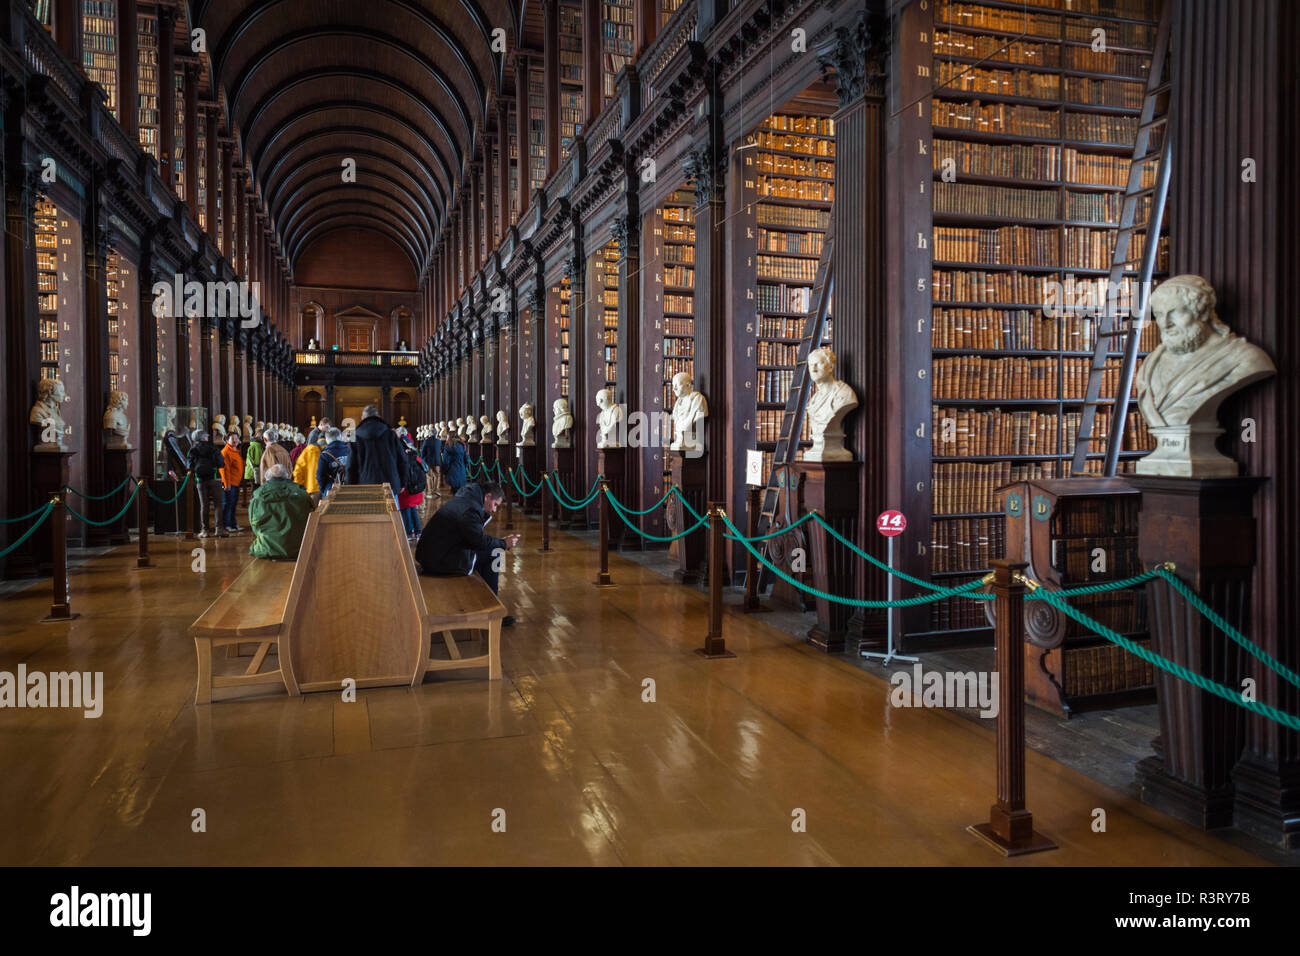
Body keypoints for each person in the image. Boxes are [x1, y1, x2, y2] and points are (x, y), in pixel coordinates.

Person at [415, 481, 520, 625]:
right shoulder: (470, 509)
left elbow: (472, 537)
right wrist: (503, 544)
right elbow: (478, 541)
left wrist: (498, 543)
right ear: (487, 497)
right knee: (496, 554)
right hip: (440, 561)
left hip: (435, 554)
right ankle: (493, 610)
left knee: (493, 551)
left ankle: (487, 601)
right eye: (495, 504)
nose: (494, 510)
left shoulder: (467, 496)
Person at [248, 463, 317, 560]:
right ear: (288, 475)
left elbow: (254, 524)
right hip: (299, 548)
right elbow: (310, 518)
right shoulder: (301, 493)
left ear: (267, 477)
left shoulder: (258, 495)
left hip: (266, 548)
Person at [347, 405, 405, 503]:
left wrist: (350, 486)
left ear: (362, 418)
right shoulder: (390, 434)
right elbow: (402, 460)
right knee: (393, 516)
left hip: (364, 485)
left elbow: (351, 466)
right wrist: (402, 483)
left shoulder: (355, 436)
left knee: (368, 517)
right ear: (378, 417)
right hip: (390, 485)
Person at [186, 430, 226, 538]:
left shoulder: (193, 450)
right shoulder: (213, 448)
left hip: (201, 480)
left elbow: (189, 465)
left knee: (204, 505)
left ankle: (205, 531)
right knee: (218, 504)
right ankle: (219, 529)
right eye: (206, 436)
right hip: (215, 479)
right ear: (203, 438)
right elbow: (221, 463)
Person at [398, 437, 426, 539]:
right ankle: (418, 531)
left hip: (406, 488)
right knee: (413, 508)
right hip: (416, 488)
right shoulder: (414, 454)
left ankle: (409, 532)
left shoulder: (402, 457)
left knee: (406, 510)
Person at [219, 433, 245, 533]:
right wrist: (226, 483)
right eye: (232, 439)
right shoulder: (225, 452)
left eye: (236, 438)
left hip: (236, 482)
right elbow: (224, 469)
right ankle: (226, 525)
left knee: (233, 504)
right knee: (227, 504)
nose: (235, 440)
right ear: (227, 440)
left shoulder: (235, 451)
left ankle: (233, 524)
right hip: (229, 483)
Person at [316, 427, 350, 496]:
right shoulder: (350, 450)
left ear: (327, 440)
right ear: (340, 437)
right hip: (350, 486)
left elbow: (320, 476)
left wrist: (324, 490)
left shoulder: (325, 455)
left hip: (333, 488)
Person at [294, 435, 324, 504]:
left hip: (312, 488)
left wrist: (299, 486)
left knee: (313, 512)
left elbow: (298, 471)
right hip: (330, 489)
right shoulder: (332, 449)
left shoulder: (308, 450)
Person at [421, 424, 444, 497]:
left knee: (429, 476)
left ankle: (430, 492)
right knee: (437, 475)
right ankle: (436, 490)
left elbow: (422, 452)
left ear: (430, 434)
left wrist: (423, 459)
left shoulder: (426, 441)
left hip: (428, 461)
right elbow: (441, 450)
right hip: (437, 461)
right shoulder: (439, 441)